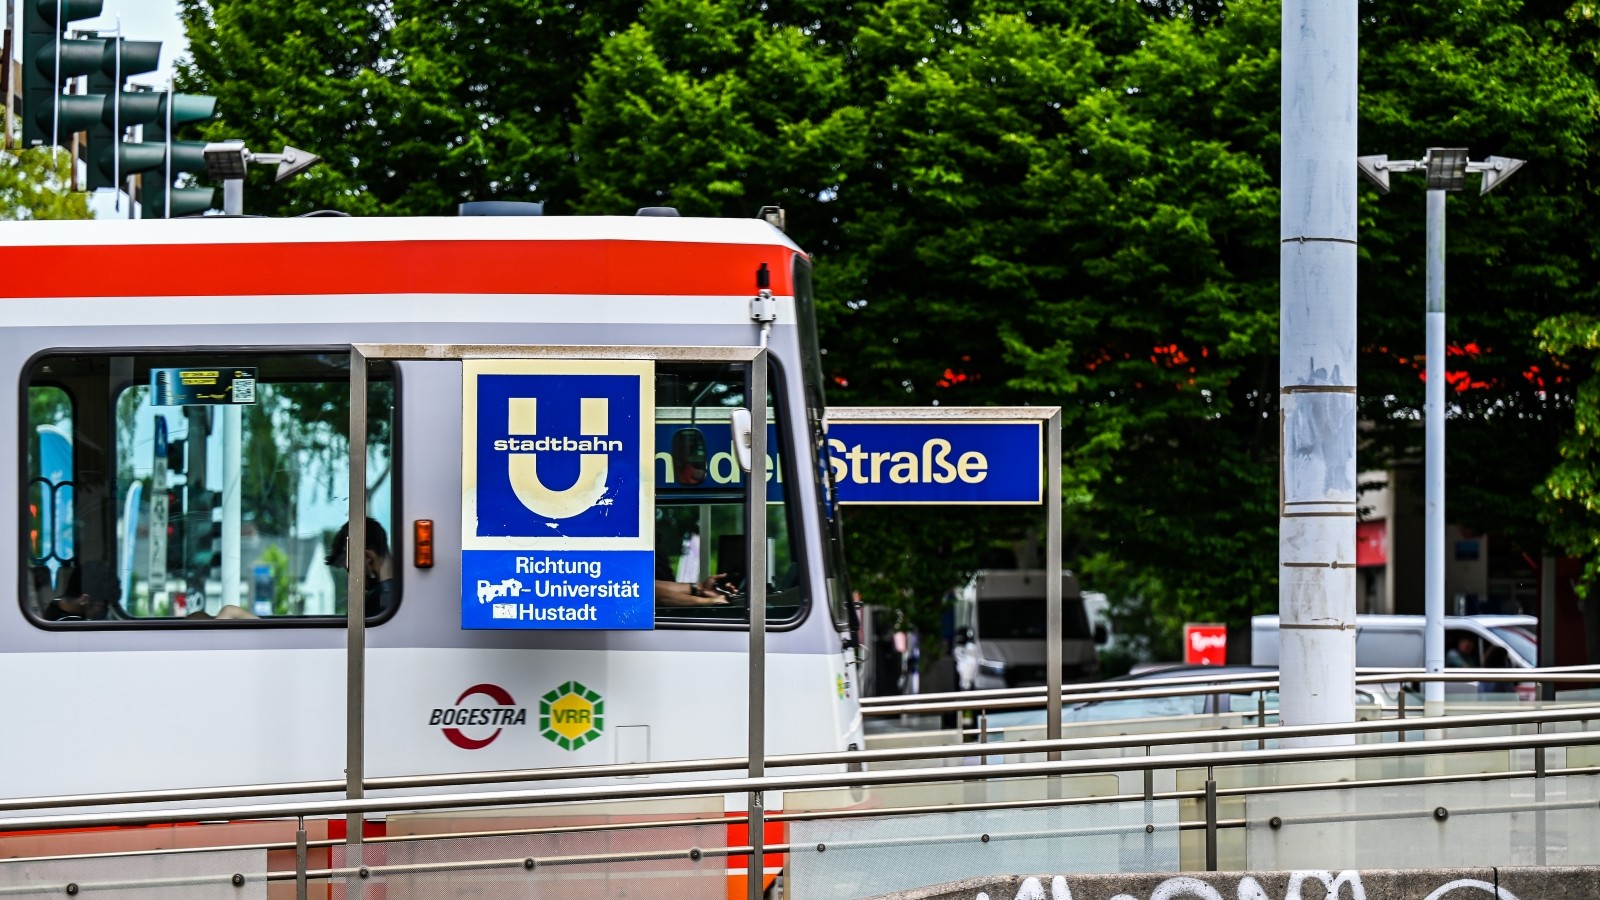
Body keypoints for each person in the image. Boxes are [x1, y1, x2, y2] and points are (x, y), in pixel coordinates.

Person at [327, 518, 395, 617]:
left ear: (367, 557)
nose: (350, 578)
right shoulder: (399, 592)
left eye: (350, 570)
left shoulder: (378, 600)